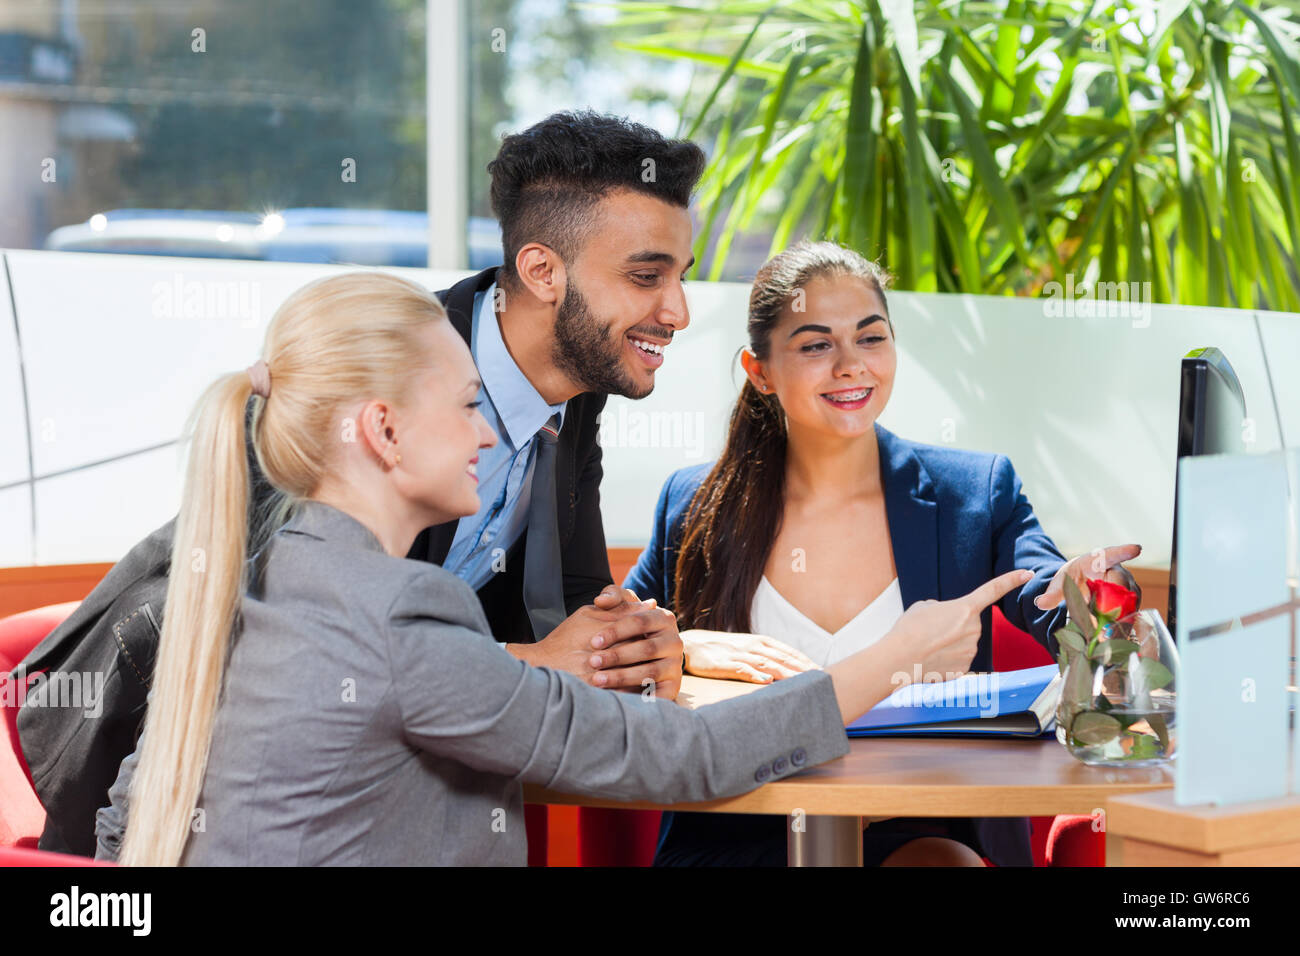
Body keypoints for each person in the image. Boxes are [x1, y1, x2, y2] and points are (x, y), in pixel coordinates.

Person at [93, 271, 1031, 865]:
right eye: (467, 405)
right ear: (381, 432)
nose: (487, 432)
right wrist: (890, 656)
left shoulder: (261, 582)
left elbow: (121, 829)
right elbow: (688, 758)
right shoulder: (402, 613)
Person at [18, 109, 707, 856]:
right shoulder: (376, 370)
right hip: (155, 781)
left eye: (680, 276)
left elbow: (565, 610)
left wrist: (631, 643)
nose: (678, 311)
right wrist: (525, 665)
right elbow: (290, 646)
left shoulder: (575, 392)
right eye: (647, 276)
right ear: (543, 272)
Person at [624, 241, 1143, 867]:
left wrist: (1092, 594)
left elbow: (1043, 588)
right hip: (741, 830)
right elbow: (623, 653)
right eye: (816, 345)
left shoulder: (971, 492)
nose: (851, 366)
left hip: (920, 828)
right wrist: (684, 647)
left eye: (871, 338)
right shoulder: (695, 504)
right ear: (759, 372)